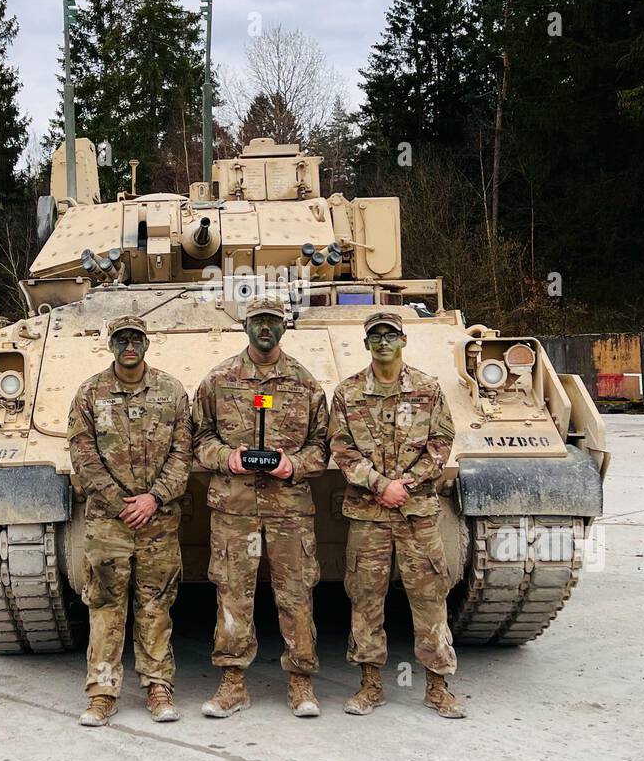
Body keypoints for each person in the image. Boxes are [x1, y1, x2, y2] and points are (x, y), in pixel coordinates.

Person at [192, 297, 328, 718]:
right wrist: (225, 457)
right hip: (236, 506)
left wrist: (295, 464)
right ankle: (233, 683)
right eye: (257, 322)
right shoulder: (219, 380)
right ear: (245, 327)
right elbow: (199, 438)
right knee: (233, 594)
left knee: (296, 594)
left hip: (289, 508)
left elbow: (323, 447)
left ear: (283, 327)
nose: (264, 328)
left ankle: (301, 682)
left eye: (271, 321)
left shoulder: (305, 384)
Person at [328, 310, 465, 718]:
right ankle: (370, 684)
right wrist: (378, 483)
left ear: (403, 340)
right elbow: (341, 447)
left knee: (429, 597)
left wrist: (405, 483)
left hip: (416, 511)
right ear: (366, 342)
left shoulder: (427, 388)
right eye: (376, 336)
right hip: (369, 514)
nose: (383, 341)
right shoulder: (348, 393)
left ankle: (438, 686)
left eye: (390, 335)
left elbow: (441, 441)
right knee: (366, 597)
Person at [68, 314, 192, 727]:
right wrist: (122, 502)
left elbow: (182, 452)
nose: (129, 347)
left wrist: (153, 499)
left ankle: (158, 687)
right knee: (105, 605)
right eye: (121, 340)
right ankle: (102, 692)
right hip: (109, 520)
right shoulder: (90, 394)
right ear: (111, 345)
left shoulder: (171, 391)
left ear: (146, 344)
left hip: (157, 519)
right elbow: (82, 455)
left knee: (156, 604)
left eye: (135, 339)